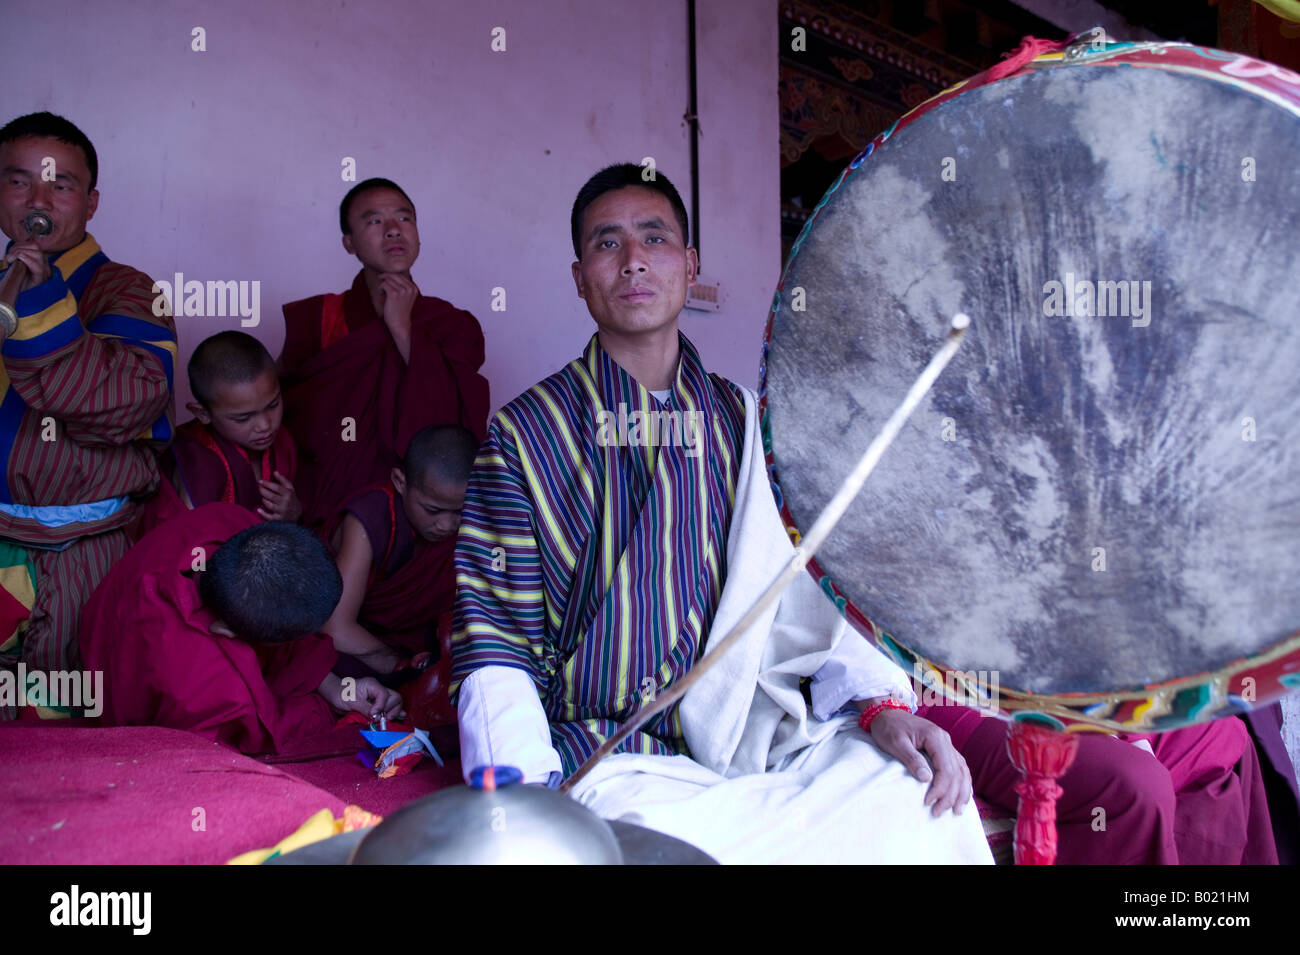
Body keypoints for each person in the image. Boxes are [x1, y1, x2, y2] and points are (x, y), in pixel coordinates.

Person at [450, 164, 992, 864]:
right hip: (617, 756)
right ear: (580, 276)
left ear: (690, 264)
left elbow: (814, 592)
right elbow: (495, 638)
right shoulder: (527, 435)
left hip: (755, 734)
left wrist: (880, 707)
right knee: (657, 846)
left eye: (655, 238)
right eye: (607, 244)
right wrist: (524, 796)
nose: (634, 259)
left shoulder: (751, 422)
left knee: (910, 793)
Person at [0, 112, 175, 677]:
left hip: (83, 550)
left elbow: (127, 401)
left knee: (63, 718)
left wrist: (40, 300)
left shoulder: (130, 290)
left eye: (62, 183)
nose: (39, 200)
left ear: (92, 202)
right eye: (19, 180)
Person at [78, 502, 403, 756]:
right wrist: (324, 708)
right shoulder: (207, 686)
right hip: (121, 690)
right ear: (226, 631)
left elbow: (291, 632)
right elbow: (260, 737)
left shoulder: (230, 523)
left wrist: (338, 688)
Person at [280, 178, 490, 532]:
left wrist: (403, 330)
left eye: (404, 219)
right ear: (349, 243)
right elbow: (278, 413)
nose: (393, 230)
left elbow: (456, 427)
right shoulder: (316, 320)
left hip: (417, 522)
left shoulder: (454, 325)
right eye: (374, 221)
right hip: (319, 511)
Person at [921, 700, 1293, 864]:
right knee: (1136, 785)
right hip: (963, 696)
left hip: (1056, 688)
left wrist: (1124, 728)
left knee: (1223, 733)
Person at [321, 424, 476, 689]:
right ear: (400, 482)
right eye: (433, 510)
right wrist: (402, 664)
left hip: (415, 644)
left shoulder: (477, 522)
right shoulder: (370, 519)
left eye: (459, 512)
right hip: (364, 647)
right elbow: (336, 629)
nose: (447, 526)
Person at [136, 331, 299, 536]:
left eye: (273, 404)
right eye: (243, 418)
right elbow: (187, 549)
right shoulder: (196, 462)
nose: (265, 425)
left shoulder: (284, 442)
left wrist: (293, 514)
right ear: (203, 414)